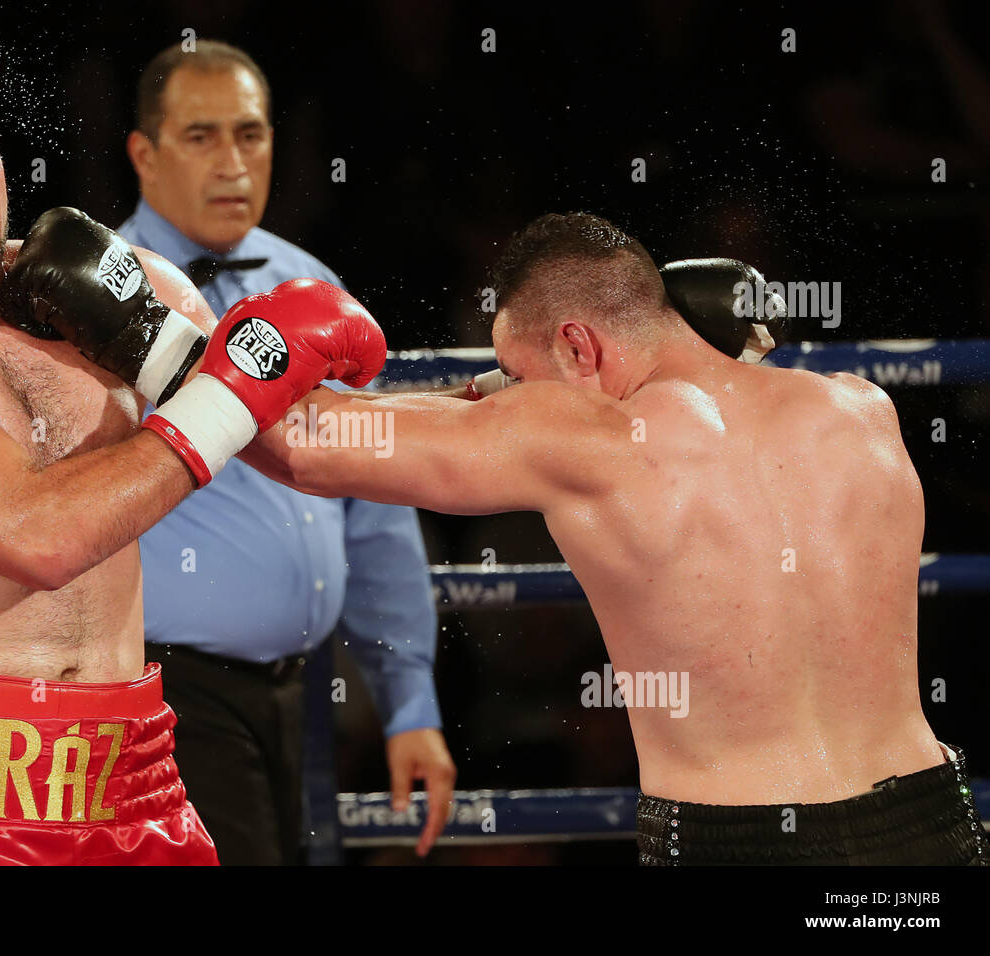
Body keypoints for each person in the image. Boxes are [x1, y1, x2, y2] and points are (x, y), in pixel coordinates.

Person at [0, 49, 383, 865]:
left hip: (126, 777)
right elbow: (38, 538)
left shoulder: (107, 289)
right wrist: (232, 391)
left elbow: (297, 441)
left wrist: (503, 404)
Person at [243, 211, 987, 865]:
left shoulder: (587, 440)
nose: (514, 397)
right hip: (928, 821)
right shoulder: (862, 410)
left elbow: (302, 441)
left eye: (517, 374)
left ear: (577, 345)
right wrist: (502, 394)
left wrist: (160, 339)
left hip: (736, 839)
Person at [118, 39, 455, 864]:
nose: (233, 162)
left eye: (251, 134)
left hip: (300, 696)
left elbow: (374, 498)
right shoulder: (106, 294)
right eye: (201, 137)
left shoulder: (313, 286)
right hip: (166, 696)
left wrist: (409, 702)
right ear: (145, 154)